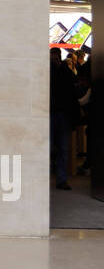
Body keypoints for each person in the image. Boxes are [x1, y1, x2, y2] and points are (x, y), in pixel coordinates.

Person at [50, 46, 79, 191]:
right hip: (55, 113)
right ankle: (60, 179)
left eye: (56, 55)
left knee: (61, 147)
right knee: (57, 147)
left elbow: (72, 85)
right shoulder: (52, 70)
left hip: (58, 113)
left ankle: (62, 179)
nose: (55, 58)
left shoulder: (64, 71)